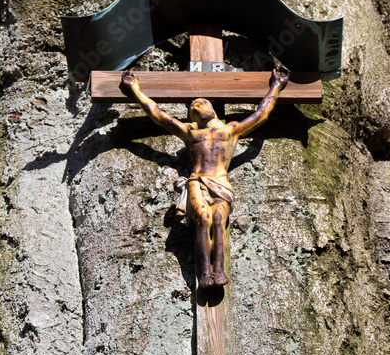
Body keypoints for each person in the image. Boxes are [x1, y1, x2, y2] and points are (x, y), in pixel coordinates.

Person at [120, 67, 290, 289]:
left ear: (212, 108)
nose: (199, 107)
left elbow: (262, 114)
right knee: (201, 218)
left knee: (219, 220)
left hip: (220, 182)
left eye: (202, 103)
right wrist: (135, 89)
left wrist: (276, 85)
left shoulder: (231, 130)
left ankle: (218, 271)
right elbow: (159, 115)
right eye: (194, 107)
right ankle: (204, 274)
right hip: (198, 181)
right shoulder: (191, 133)